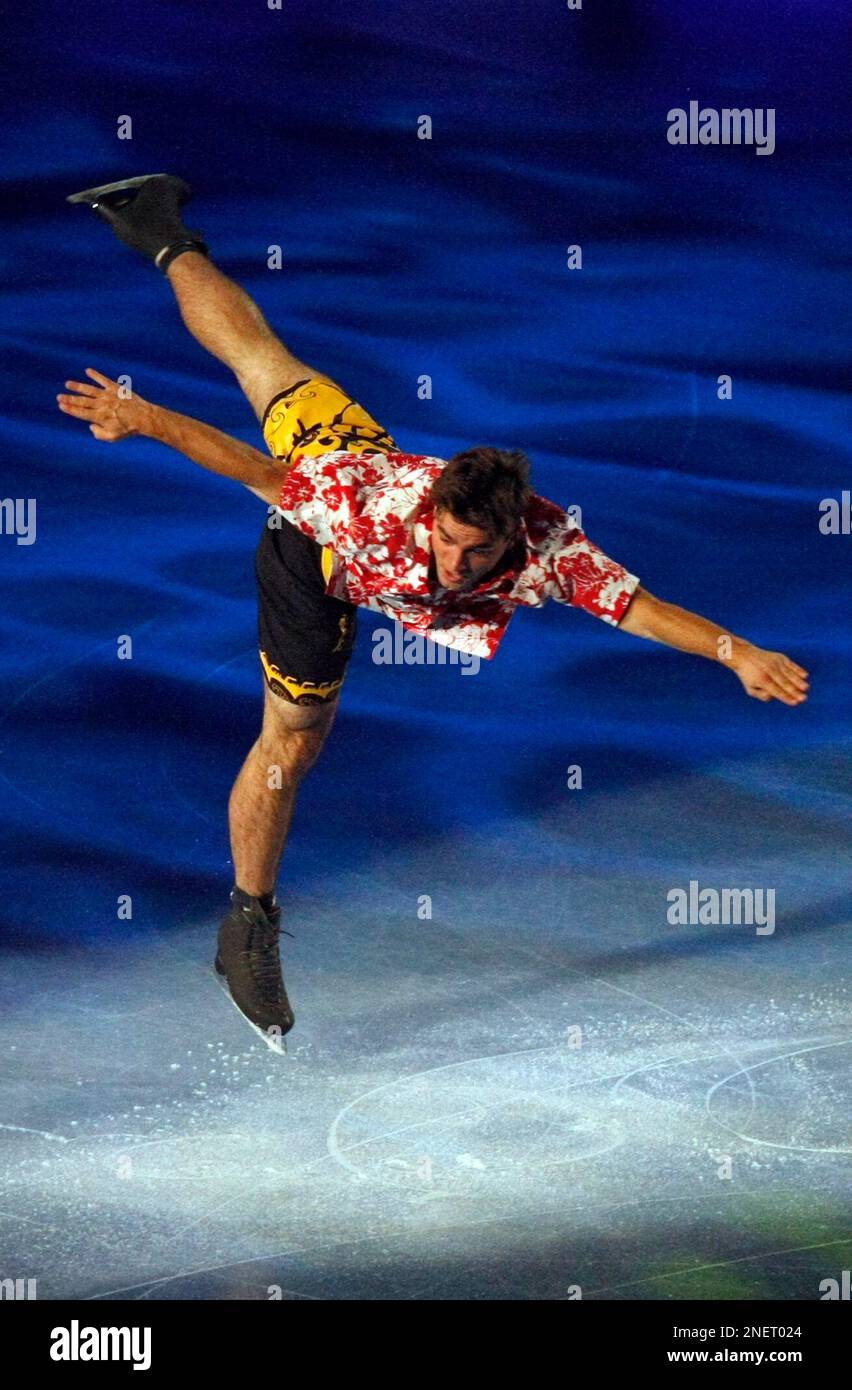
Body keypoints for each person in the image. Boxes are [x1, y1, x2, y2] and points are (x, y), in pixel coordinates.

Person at [58, 175, 810, 1048]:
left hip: (343, 462)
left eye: (474, 554)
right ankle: (247, 923)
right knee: (294, 739)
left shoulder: (546, 547)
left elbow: (637, 609)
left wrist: (738, 652)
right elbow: (256, 475)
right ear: (433, 509)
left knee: (263, 358)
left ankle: (156, 225)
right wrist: (143, 416)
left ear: (509, 536)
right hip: (320, 559)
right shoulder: (363, 502)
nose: (453, 563)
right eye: (446, 542)